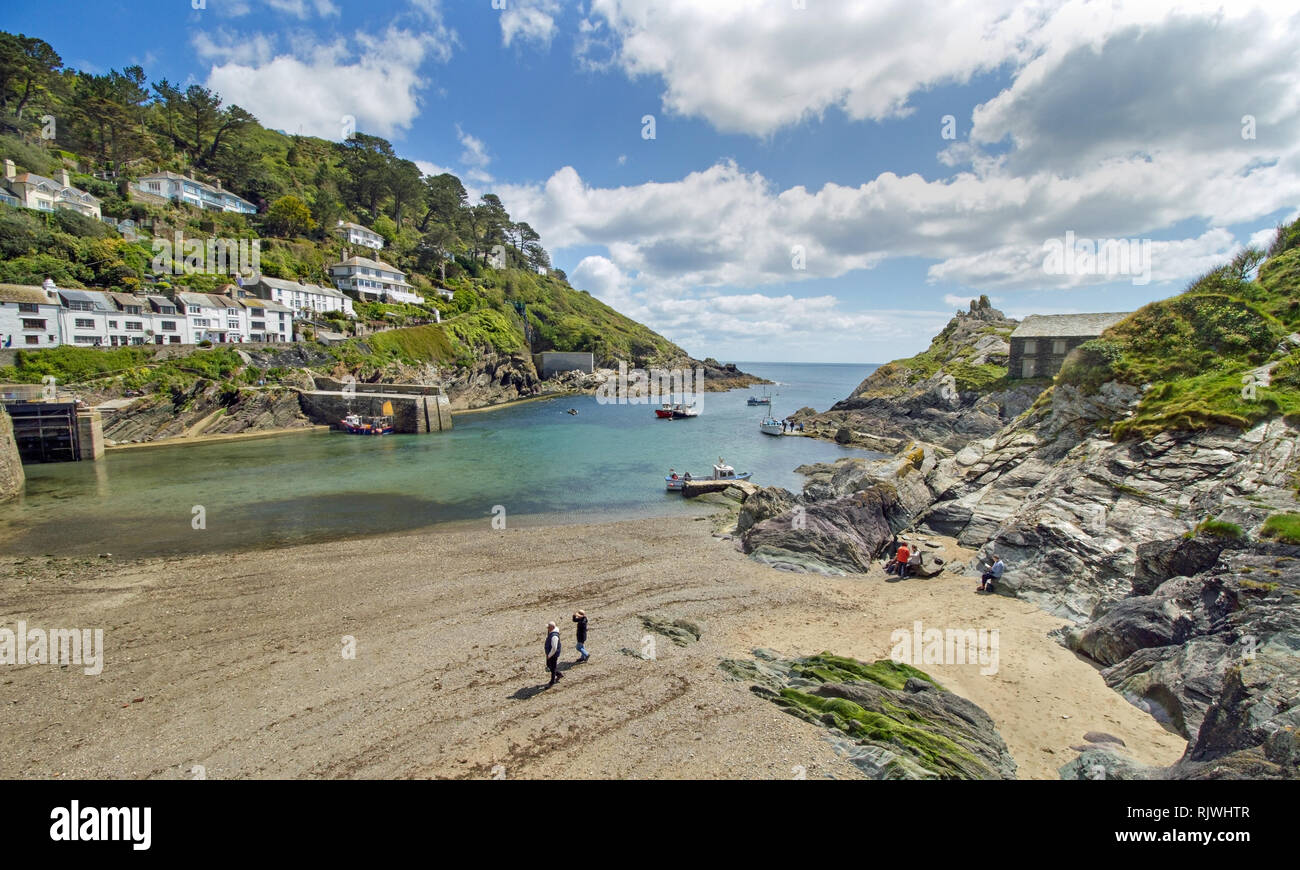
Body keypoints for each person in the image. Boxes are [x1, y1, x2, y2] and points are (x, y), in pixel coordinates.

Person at [545, 621, 563, 686]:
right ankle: (559, 674)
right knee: (549, 665)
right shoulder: (552, 632)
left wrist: (549, 655)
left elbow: (554, 648)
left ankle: (552, 681)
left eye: (548, 627)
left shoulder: (554, 636)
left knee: (553, 668)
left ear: (552, 627)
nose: (547, 628)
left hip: (553, 654)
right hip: (550, 653)